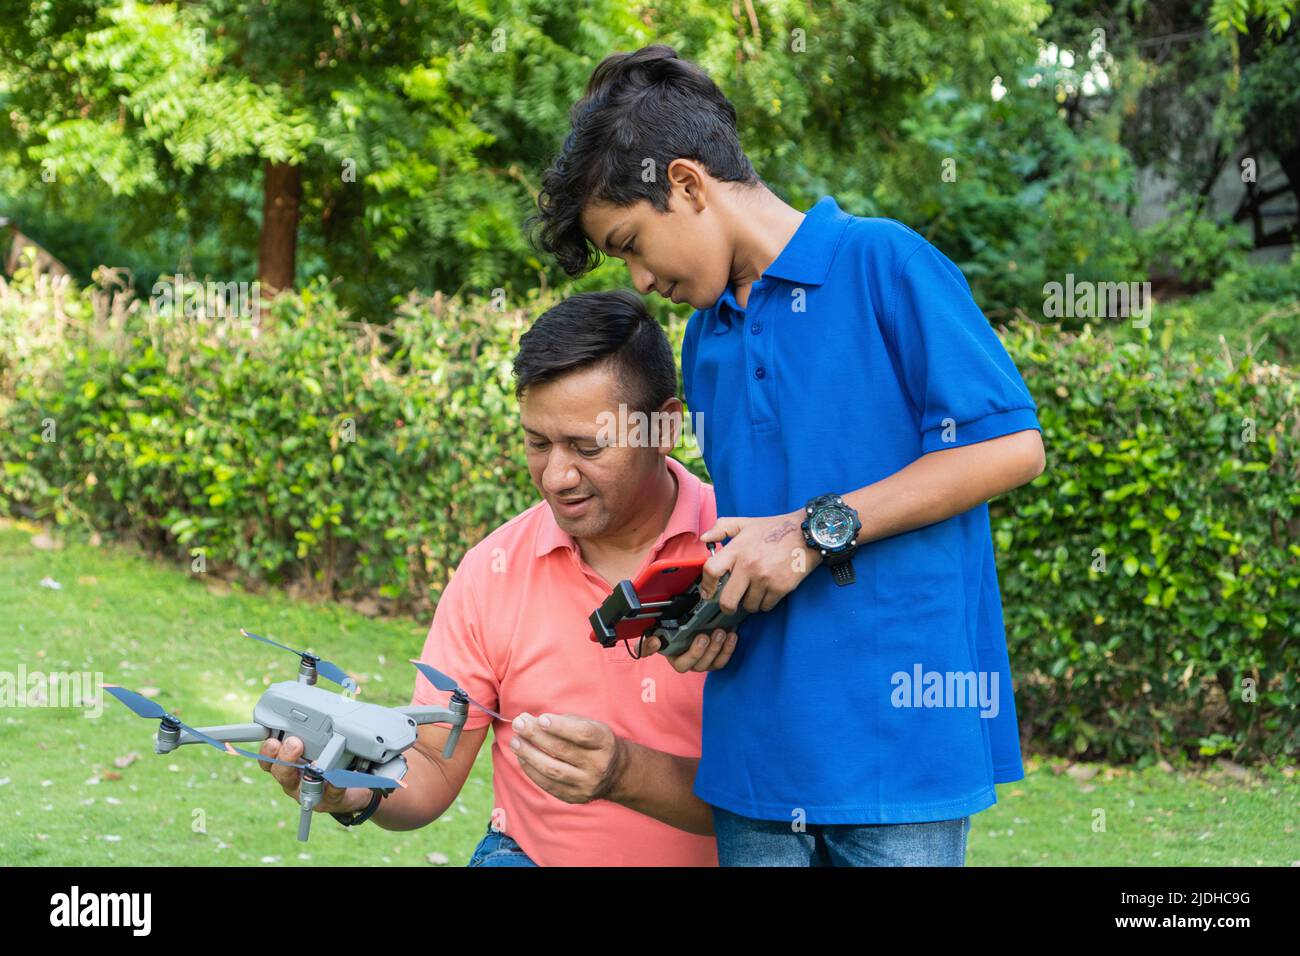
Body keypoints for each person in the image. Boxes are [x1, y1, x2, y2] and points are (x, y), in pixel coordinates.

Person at [530, 44, 1047, 866]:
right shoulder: (703, 341)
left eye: (631, 242)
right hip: (755, 766)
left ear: (689, 185)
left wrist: (811, 533)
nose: (636, 277)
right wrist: (713, 613)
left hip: (896, 757)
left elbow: (1011, 446)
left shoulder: (884, 263)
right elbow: (758, 532)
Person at [259, 290, 737, 866]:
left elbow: (792, 793)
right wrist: (352, 791)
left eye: (587, 447)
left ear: (664, 427)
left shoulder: (743, 551)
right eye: (538, 443)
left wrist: (626, 774)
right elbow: (433, 764)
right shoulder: (493, 570)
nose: (557, 477)